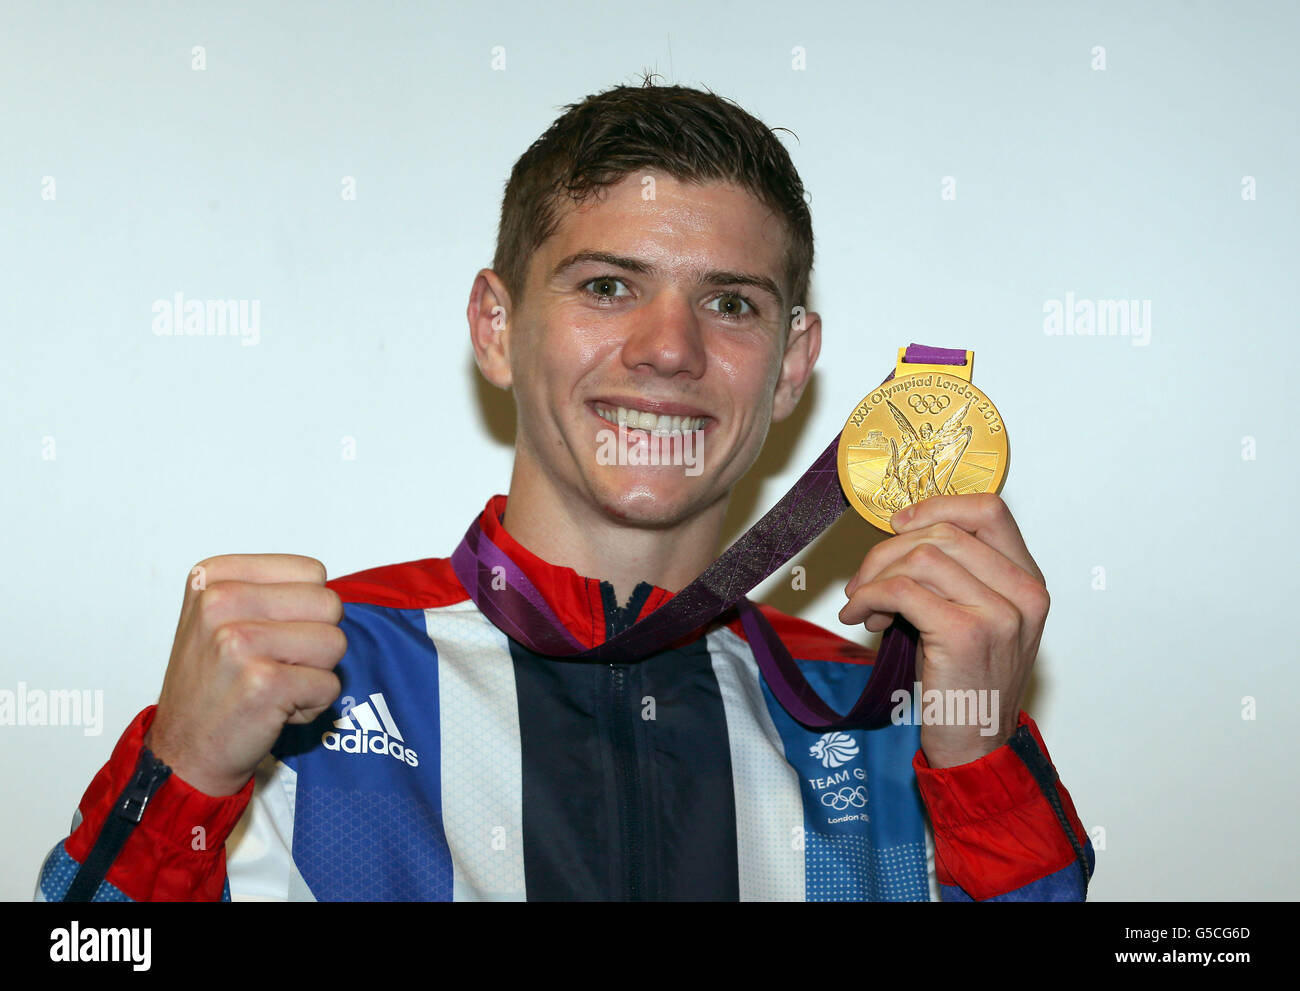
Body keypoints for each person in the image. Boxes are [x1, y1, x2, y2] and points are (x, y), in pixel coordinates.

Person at [35, 79, 1093, 902]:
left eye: (729, 302)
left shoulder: (892, 717)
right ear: (496, 327)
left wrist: (979, 761)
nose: (669, 348)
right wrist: (180, 773)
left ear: (790, 366)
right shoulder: (305, 678)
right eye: (608, 286)